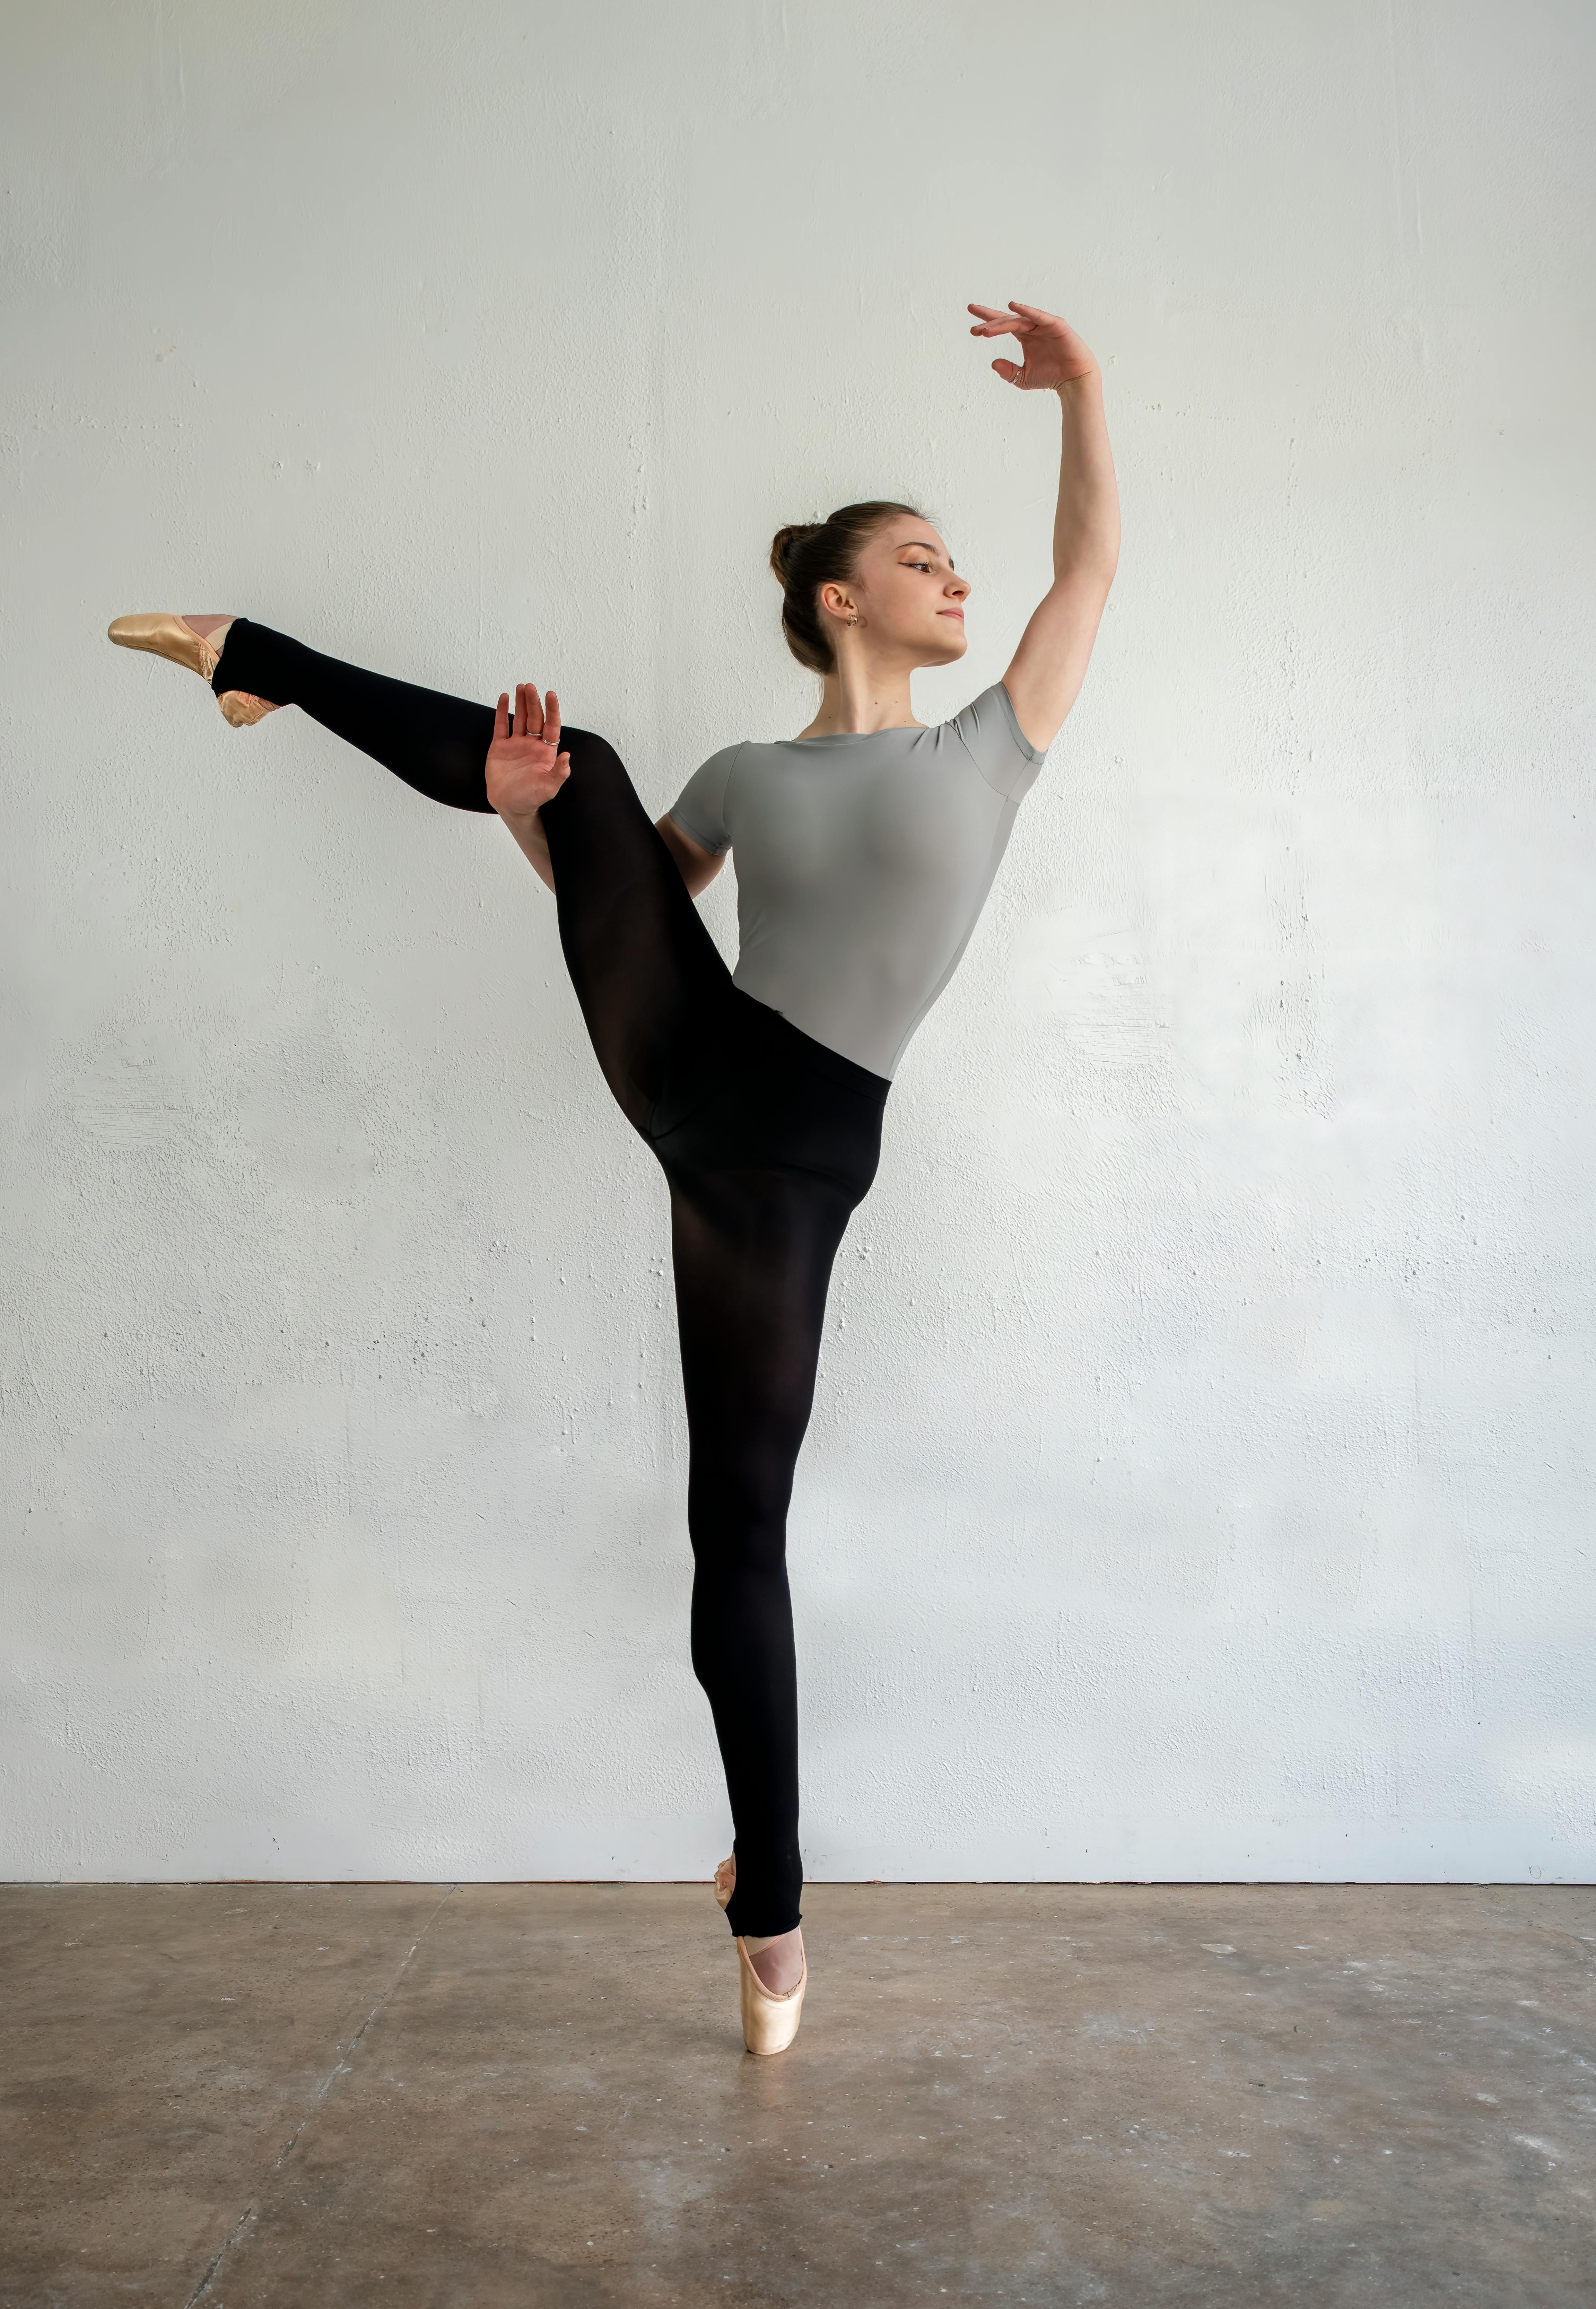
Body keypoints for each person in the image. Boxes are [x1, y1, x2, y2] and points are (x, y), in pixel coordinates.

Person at [107, 299, 1120, 2055]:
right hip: (697, 1058)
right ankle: (253, 656)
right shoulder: (748, 772)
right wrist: (521, 809)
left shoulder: (988, 748)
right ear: (838, 596)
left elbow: (1091, 571)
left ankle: (769, 1900)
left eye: (962, 565)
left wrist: (1083, 390)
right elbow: (613, 909)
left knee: (735, 1519)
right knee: (586, 777)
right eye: (921, 560)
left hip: (795, 1151)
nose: (959, 585)